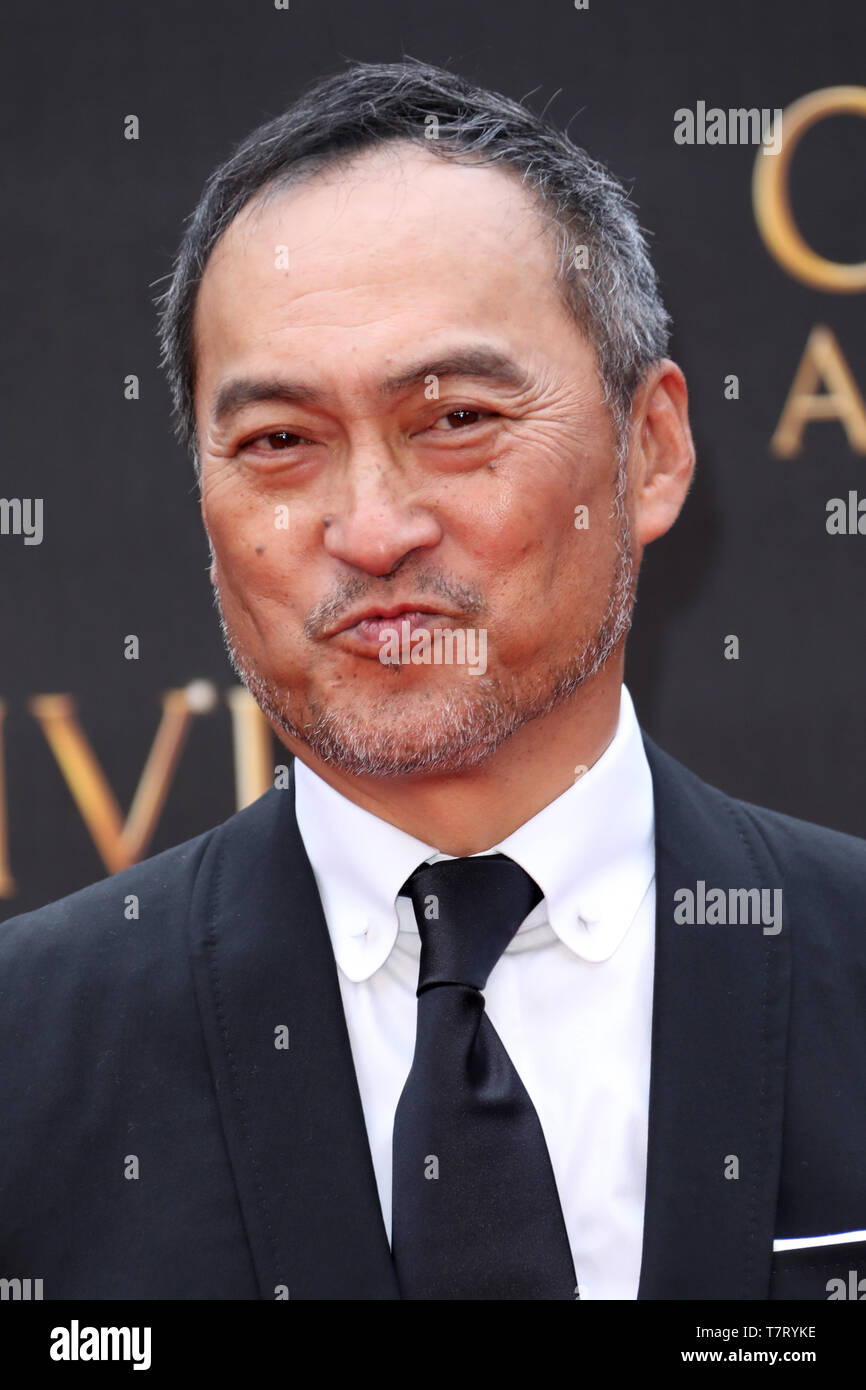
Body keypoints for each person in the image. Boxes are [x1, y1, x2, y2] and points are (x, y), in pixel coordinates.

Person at [1, 58, 864, 1302]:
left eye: (454, 418)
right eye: (280, 442)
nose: (371, 528)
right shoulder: (30, 1058)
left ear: (652, 450)